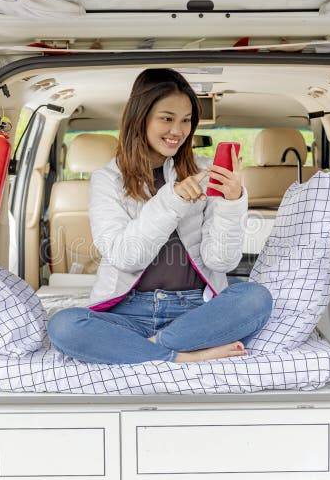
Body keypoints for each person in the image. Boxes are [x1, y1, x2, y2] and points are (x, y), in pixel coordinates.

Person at [47, 68, 273, 364]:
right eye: (167, 118)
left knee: (256, 298)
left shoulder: (204, 172)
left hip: (195, 312)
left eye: (186, 120)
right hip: (128, 312)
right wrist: (172, 199)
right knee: (63, 326)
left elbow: (222, 261)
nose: (177, 131)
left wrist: (232, 202)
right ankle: (183, 356)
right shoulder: (107, 179)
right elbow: (127, 257)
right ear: (140, 118)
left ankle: (147, 348)